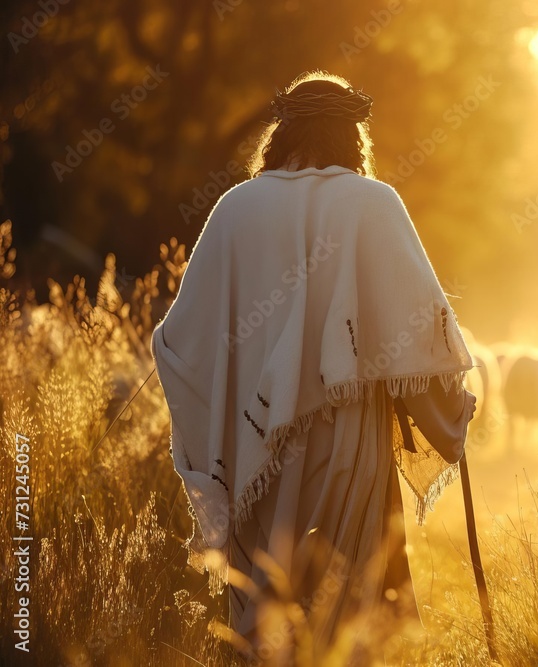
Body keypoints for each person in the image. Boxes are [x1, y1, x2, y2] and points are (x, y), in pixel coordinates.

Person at [150, 70, 477, 659]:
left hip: (250, 443)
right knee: (345, 585)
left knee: (263, 590)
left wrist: (223, 418)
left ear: (281, 132)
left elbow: (178, 341)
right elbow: (422, 347)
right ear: (354, 138)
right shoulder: (374, 204)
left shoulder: (235, 208)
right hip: (348, 442)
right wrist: (452, 414)